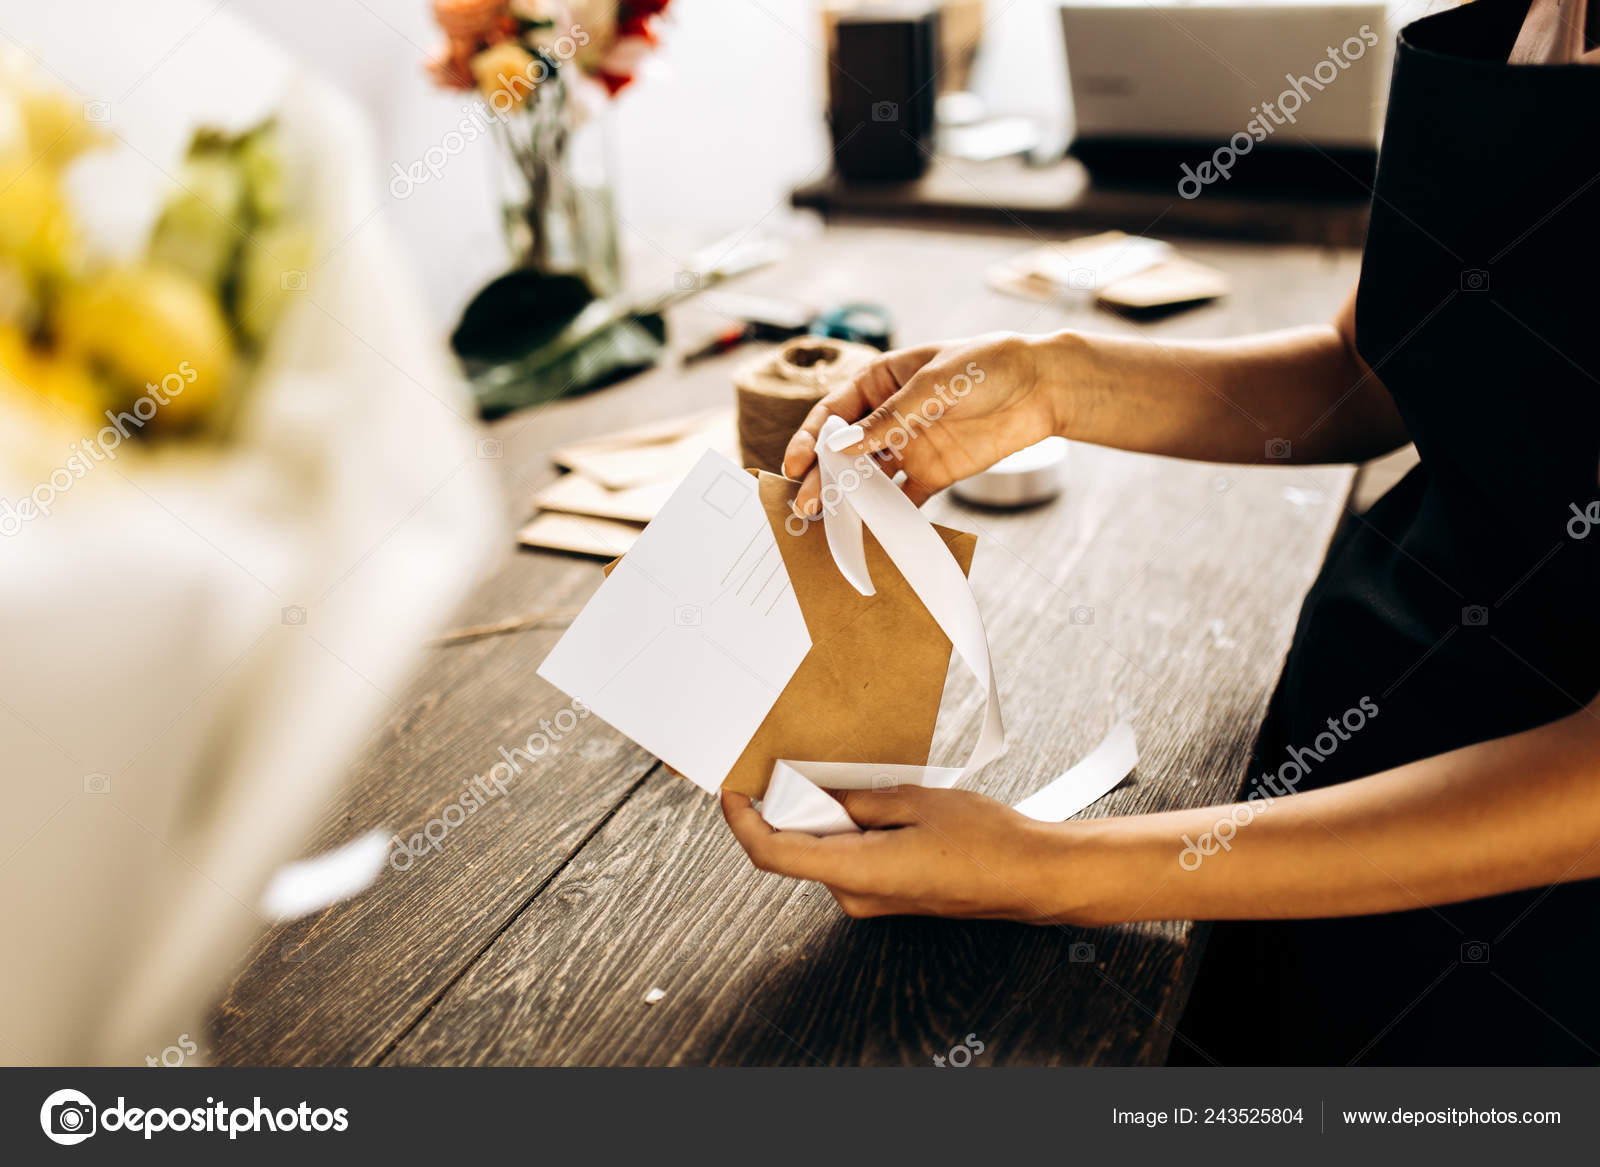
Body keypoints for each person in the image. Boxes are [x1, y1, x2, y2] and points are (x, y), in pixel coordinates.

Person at [721, 0, 1600, 1064]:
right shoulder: (1531, 23)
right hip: (1351, 698)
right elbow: (1382, 365)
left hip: (1508, 917)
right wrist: (1049, 382)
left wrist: (1054, 875)